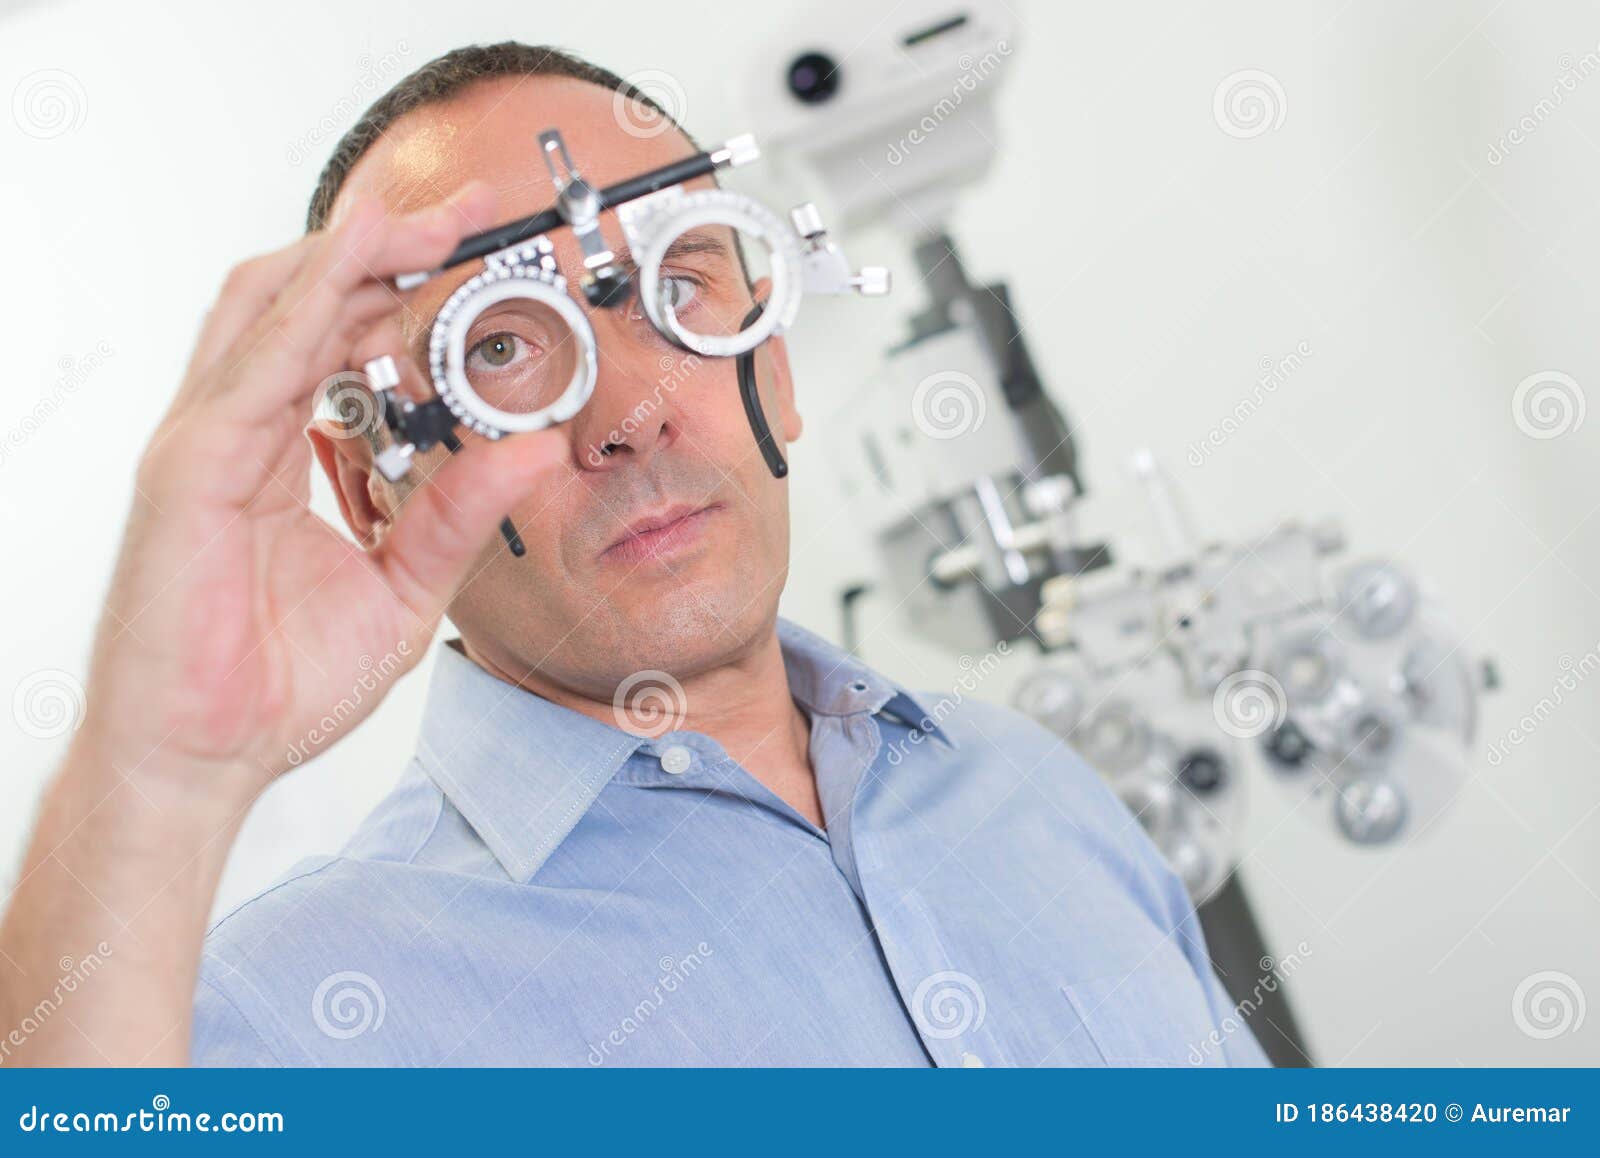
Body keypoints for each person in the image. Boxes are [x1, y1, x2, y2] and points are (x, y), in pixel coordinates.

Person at [0, 42, 1266, 1067]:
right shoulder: (292, 1017)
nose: (626, 415)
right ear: (369, 485)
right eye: (500, 347)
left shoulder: (1034, 792)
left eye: (676, 289)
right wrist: (158, 778)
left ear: (773, 357)